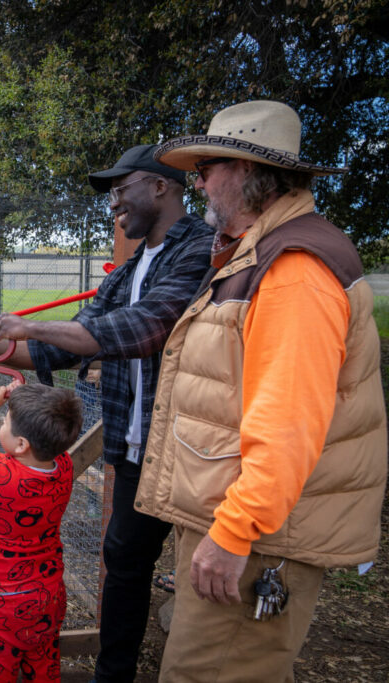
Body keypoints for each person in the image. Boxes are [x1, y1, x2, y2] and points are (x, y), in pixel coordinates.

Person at [136, 100, 387, 681]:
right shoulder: (263, 251)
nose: (195, 180)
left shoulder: (294, 269)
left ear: (248, 174)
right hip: (254, 529)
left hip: (261, 539)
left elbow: (289, 423)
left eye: (208, 166)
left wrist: (234, 531)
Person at [0, 144, 214, 682]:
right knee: (125, 563)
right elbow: (71, 343)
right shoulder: (129, 269)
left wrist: (31, 325)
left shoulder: (201, 249)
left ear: (160, 185)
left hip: (187, 448)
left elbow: (146, 328)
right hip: (135, 448)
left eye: (120, 188)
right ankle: (116, 674)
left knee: (202, 566)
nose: (114, 203)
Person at [0, 380, 82, 682]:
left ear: (22, 445)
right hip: (49, 592)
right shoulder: (63, 465)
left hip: (0, 602)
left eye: (5, 422)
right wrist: (22, 394)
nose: (0, 425)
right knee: (44, 663)